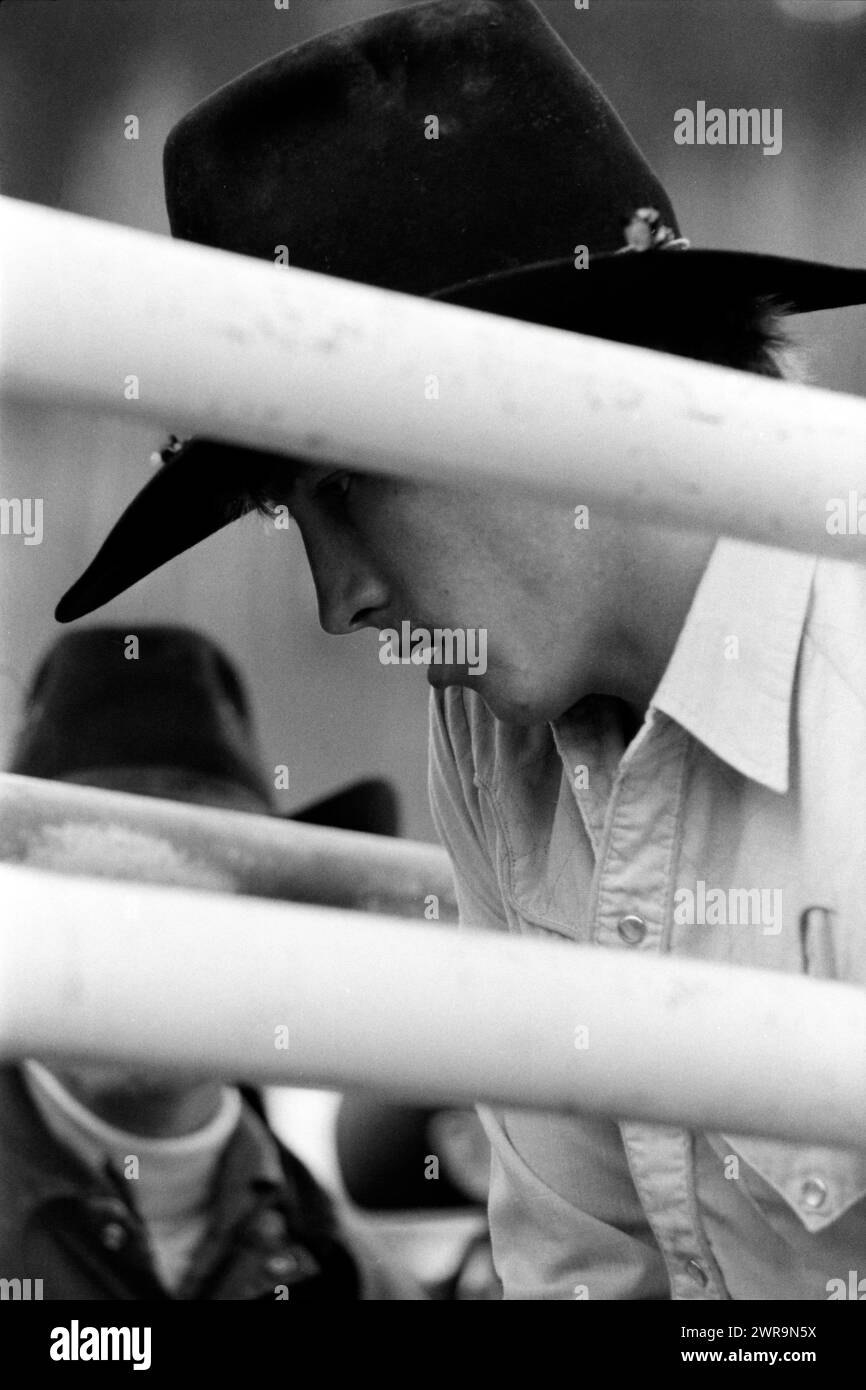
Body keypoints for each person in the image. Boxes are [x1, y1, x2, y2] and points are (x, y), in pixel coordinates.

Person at [53, 0, 866, 1299]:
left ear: (563, 390)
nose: (337, 604)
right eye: (287, 512)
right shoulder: (490, 734)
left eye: (343, 486)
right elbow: (584, 1274)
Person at [0, 624, 422, 1300]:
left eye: (189, 901)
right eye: (90, 896)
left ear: (266, 932)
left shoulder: (351, 1273)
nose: (140, 946)